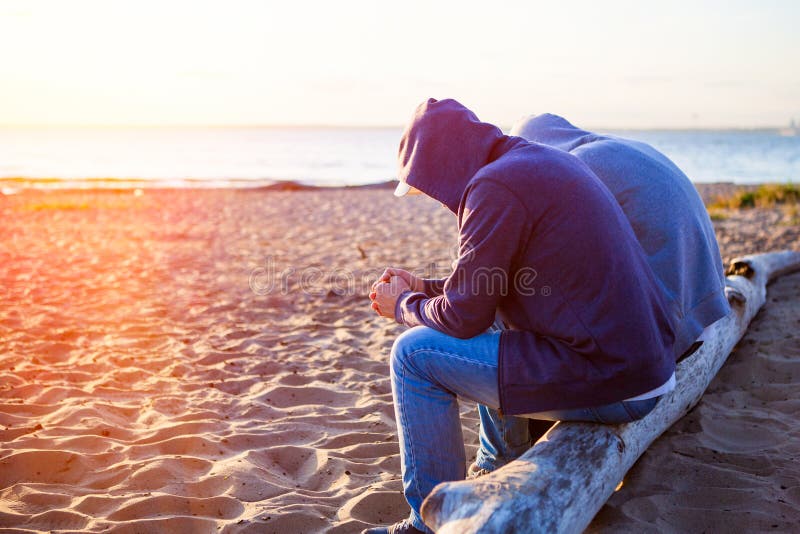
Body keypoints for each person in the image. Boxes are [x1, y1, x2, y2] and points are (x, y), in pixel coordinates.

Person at [364, 98, 676, 534]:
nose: (434, 200)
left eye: (426, 188)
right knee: (483, 320)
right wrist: (420, 287)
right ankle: (499, 463)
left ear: (440, 167)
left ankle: (425, 525)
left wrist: (401, 306)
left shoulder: (494, 188)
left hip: (617, 381)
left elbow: (462, 319)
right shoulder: (530, 162)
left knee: (411, 355)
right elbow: (485, 288)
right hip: (643, 367)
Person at [456, 113, 733, 480]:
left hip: (662, 346)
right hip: (705, 320)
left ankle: (496, 460)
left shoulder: (571, 169)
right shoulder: (628, 150)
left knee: (496, 303)